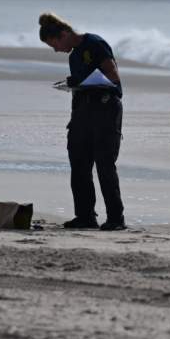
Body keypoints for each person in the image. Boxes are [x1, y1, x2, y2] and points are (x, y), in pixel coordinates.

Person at [38, 13, 126, 231]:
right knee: (79, 165)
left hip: (106, 109)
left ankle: (116, 218)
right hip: (82, 113)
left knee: (105, 166)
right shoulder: (73, 57)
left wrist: (86, 84)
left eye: (55, 44)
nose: (56, 50)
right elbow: (82, 81)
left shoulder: (94, 44)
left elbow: (113, 78)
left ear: (64, 34)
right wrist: (72, 84)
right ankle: (85, 216)